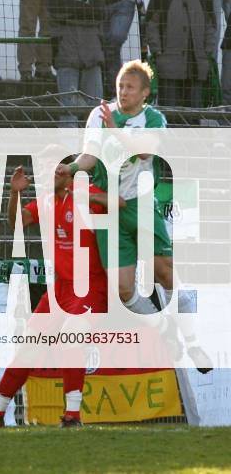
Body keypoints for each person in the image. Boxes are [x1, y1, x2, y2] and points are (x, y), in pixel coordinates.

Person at [68, 60, 211, 373]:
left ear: (145, 93)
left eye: (130, 87)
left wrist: (115, 129)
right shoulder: (99, 114)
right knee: (123, 289)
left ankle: (193, 341)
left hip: (142, 204)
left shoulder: (154, 118)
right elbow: (90, 155)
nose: (123, 92)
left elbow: (144, 153)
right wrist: (70, 168)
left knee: (164, 272)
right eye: (120, 85)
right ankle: (164, 330)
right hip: (110, 206)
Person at [0, 159, 110, 429]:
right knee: (28, 346)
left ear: (68, 172)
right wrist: (14, 193)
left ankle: (73, 415)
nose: (48, 173)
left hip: (91, 286)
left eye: (55, 168)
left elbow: (119, 204)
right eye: (44, 169)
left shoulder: (85, 193)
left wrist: (87, 195)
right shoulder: (46, 201)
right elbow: (16, 223)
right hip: (60, 289)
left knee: (71, 337)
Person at [144, 0, 217, 108]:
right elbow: (151, 25)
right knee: (170, 115)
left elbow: (211, 26)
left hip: (197, 66)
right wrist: (158, 52)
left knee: (195, 118)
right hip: (169, 67)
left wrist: (208, 52)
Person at [45, 0, 106, 120]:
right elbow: (57, 12)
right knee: (68, 112)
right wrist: (84, 11)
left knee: (96, 113)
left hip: (92, 57)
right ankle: (68, 146)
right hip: (66, 56)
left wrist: (70, 10)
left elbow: (99, 13)